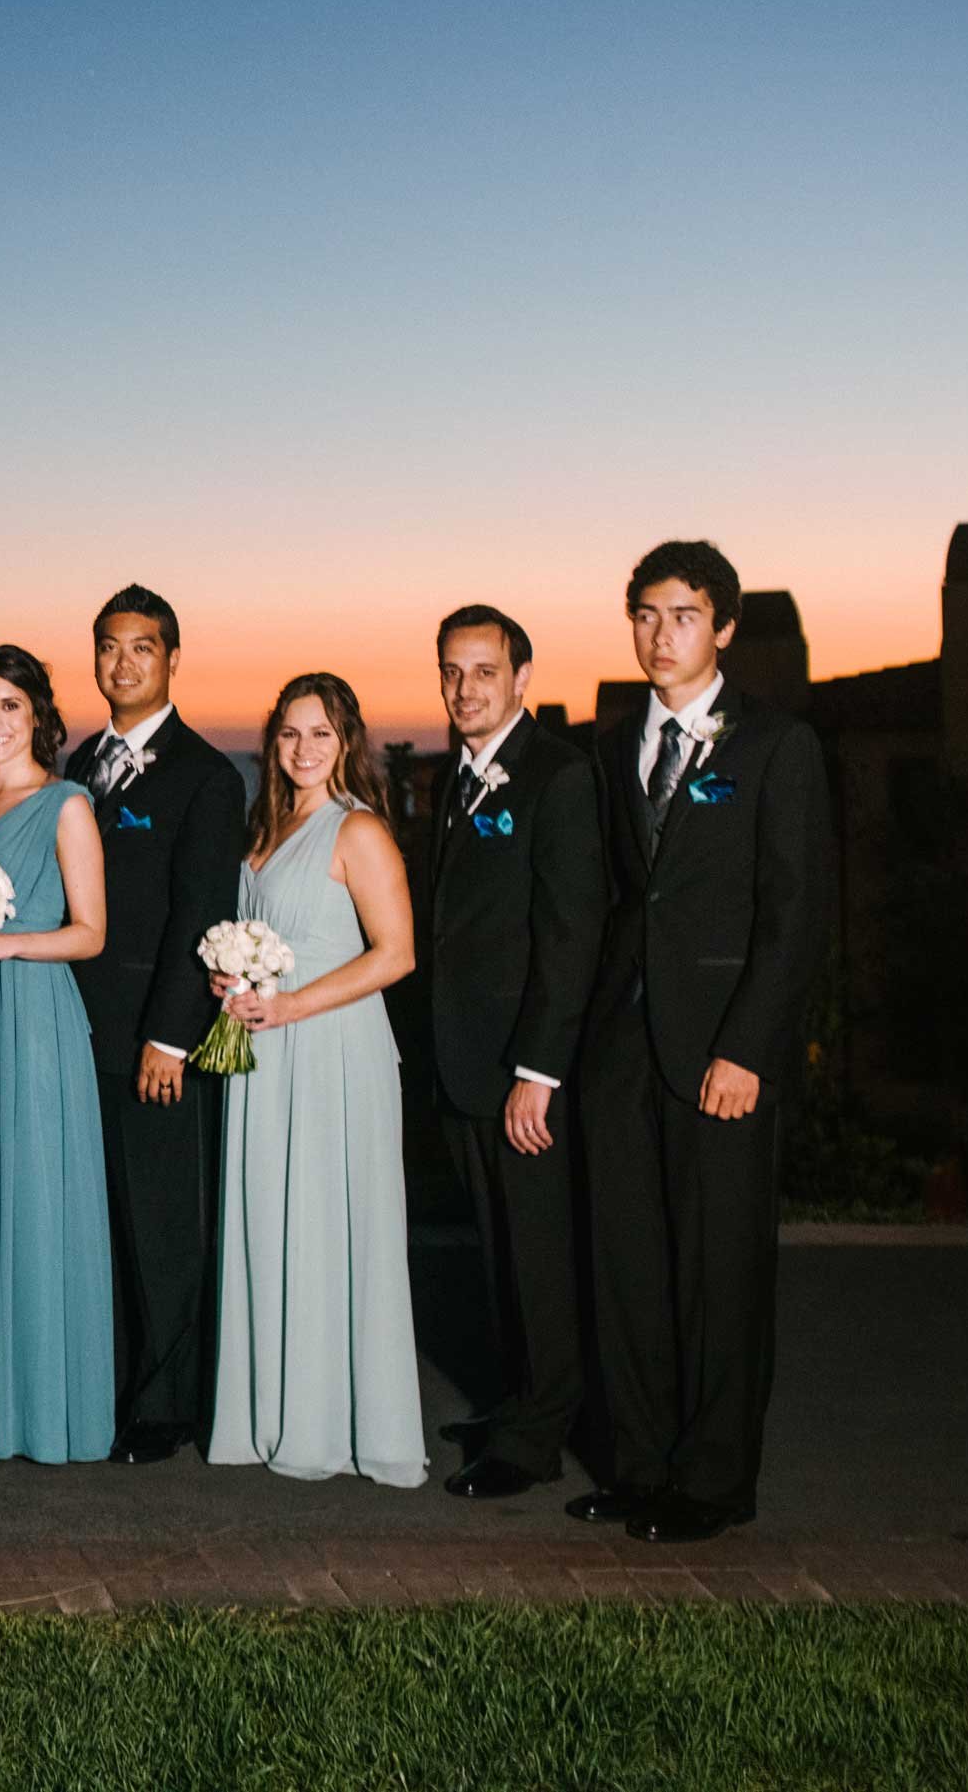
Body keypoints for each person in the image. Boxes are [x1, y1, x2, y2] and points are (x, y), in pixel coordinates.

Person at [576, 541, 833, 1544]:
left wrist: (750, 1046)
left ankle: (715, 1480)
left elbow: (796, 914)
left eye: (682, 614)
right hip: (622, 1048)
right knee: (629, 1266)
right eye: (644, 612)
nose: (659, 632)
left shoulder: (777, 746)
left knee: (721, 1273)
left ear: (723, 626)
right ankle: (641, 1467)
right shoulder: (610, 743)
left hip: (722, 1052)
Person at [208, 673, 426, 1488]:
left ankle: (332, 1421)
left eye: (321, 734)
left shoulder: (357, 828)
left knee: (330, 1226)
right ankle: (269, 1410)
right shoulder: (268, 823)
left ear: (348, 742)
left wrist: (293, 1003)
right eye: (290, 734)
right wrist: (231, 981)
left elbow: (396, 953)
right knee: (270, 1221)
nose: (303, 750)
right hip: (264, 1049)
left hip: (333, 1051)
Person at [418, 606, 603, 1502]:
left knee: (539, 1255)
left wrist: (538, 1072)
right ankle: (517, 1401)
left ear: (522, 677)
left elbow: (570, 937)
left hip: (523, 1070)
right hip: (466, 1058)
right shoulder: (459, 776)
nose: (465, 688)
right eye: (453, 671)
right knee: (496, 1251)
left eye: (484, 671)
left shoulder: (558, 777)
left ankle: (535, 1441)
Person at [61, 585, 243, 1464]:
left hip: (152, 1039)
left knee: (163, 1220)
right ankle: (113, 1380)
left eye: (141, 647)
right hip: (74, 1027)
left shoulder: (207, 775)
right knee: (99, 1214)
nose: (122, 662)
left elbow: (200, 914)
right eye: (108, 646)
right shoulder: (77, 762)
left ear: (172, 657)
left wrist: (171, 1035)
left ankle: (165, 1406)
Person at [0, 646, 114, 1463]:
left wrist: (1, 947)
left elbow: (92, 933)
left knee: (37, 1197)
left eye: (9, 705)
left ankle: (47, 1411)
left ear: (37, 712)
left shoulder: (67, 803)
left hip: (35, 1020)